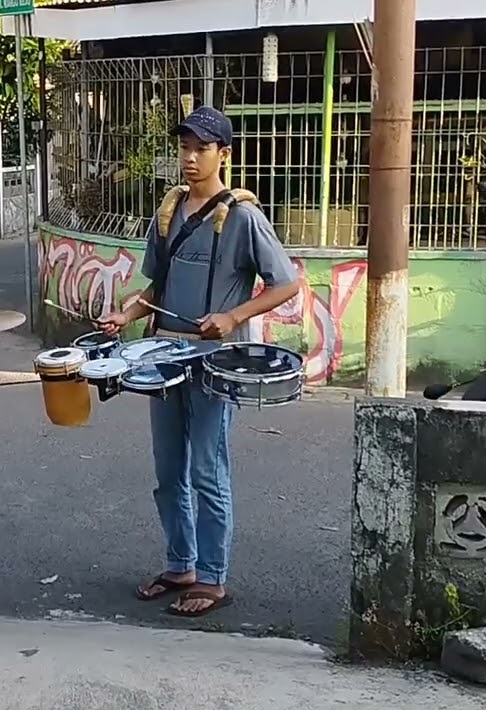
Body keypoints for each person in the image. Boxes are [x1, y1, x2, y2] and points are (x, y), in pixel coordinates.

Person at [97, 106, 301, 617]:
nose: (188, 158)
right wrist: (125, 313)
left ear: (223, 155)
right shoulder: (167, 213)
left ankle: (212, 578)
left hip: (215, 361)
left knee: (208, 469)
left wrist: (233, 317)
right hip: (164, 355)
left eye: (200, 149)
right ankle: (180, 565)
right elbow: (154, 288)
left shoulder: (244, 217)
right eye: (184, 148)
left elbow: (287, 284)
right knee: (169, 471)